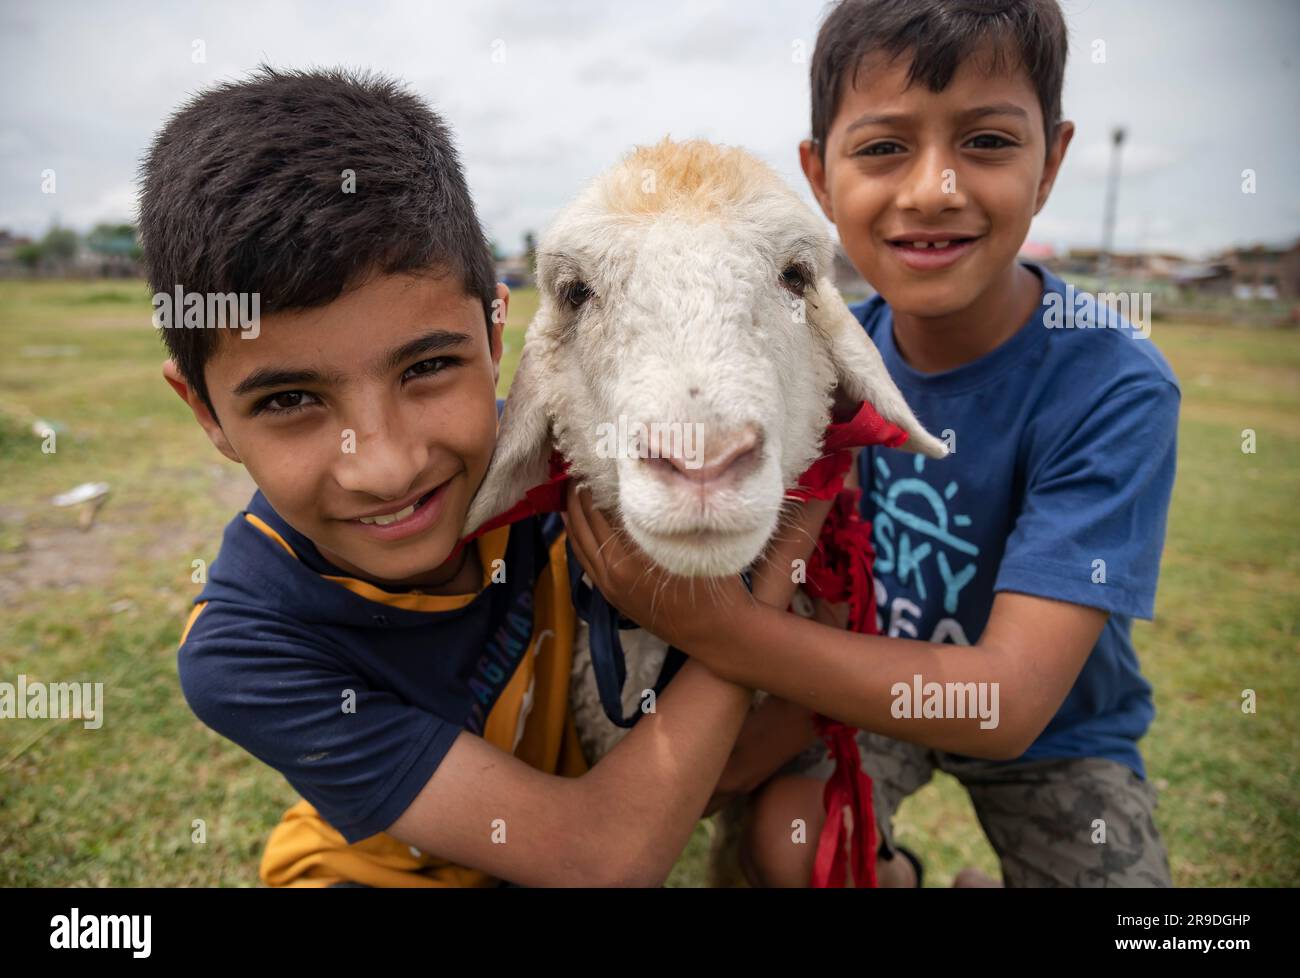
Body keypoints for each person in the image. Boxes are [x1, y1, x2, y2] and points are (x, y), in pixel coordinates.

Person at [148, 65, 820, 887]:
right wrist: (745, 628)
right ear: (206, 412)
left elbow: (740, 757)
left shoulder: (570, 465)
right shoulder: (245, 645)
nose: (388, 465)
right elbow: (603, 857)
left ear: (502, 337)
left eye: (428, 366)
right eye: (290, 399)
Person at [565, 0, 1181, 888]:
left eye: (989, 142)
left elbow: (1004, 704)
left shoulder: (1115, 383)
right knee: (790, 846)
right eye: (885, 147)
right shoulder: (807, 357)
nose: (933, 188)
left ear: (1053, 162)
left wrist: (719, 632)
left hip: (1054, 732)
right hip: (850, 698)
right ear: (819, 175)